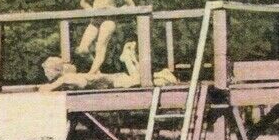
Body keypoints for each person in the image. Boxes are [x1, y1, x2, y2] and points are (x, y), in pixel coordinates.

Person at [76, 0, 135, 75]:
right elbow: (83, 2)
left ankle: (91, 73)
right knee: (82, 49)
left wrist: (116, 9)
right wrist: (90, 9)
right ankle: (96, 70)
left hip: (109, 20)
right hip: (95, 19)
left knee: (100, 47)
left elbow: (131, 5)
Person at [39, 42, 178, 92]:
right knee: (153, 81)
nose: (71, 64)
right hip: (116, 80)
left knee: (147, 81)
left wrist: (51, 87)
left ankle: (129, 58)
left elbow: (70, 81)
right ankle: (129, 57)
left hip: (117, 81)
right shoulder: (70, 77)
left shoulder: (68, 78)